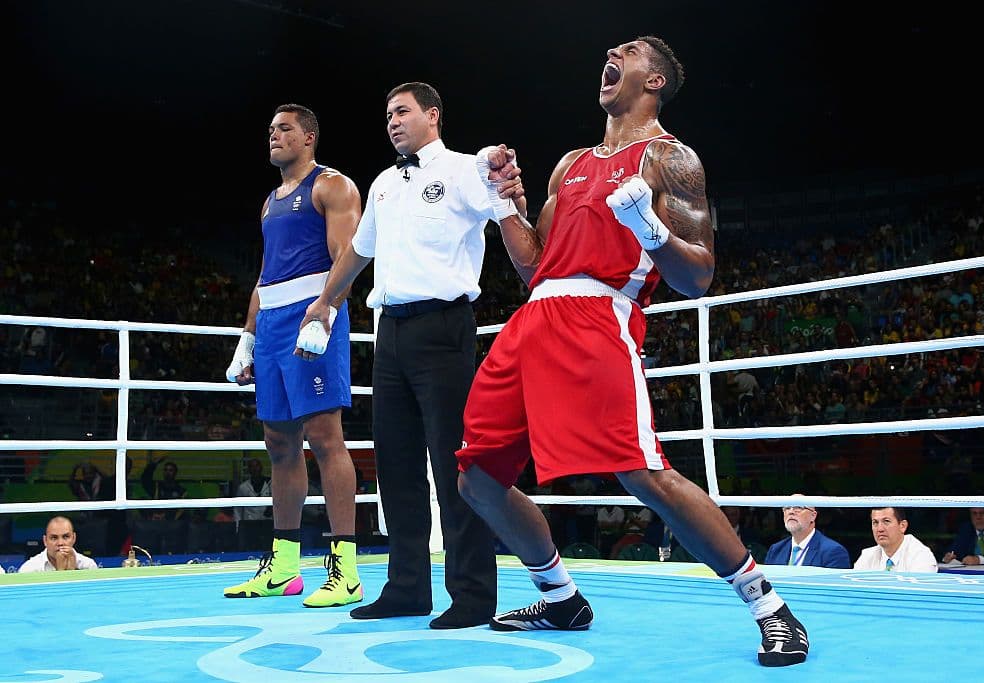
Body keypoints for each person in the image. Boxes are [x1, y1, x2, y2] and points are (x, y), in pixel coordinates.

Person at [453, 36, 808, 666]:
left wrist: (651, 229)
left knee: (641, 471)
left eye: (633, 49)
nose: (615, 50)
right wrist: (502, 200)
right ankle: (559, 597)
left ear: (654, 81)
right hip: (533, 320)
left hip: (600, 317)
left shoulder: (671, 159)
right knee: (477, 477)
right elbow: (534, 268)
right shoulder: (570, 164)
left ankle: (770, 607)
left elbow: (697, 276)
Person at [294, 83, 507, 628]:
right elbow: (359, 252)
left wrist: (503, 171)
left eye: (402, 111)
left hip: (445, 327)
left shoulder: (464, 169)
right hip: (390, 331)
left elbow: (505, 205)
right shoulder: (385, 183)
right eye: (387, 113)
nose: (391, 121)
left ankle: (473, 595)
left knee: (452, 465)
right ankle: (408, 588)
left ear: (433, 115)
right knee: (396, 466)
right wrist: (324, 302)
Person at [222, 103, 363, 609]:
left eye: (284, 129)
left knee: (326, 437)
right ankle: (284, 567)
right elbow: (265, 273)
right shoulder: (269, 202)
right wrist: (248, 336)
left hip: (314, 313)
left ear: (309, 137)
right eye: (269, 130)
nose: (273, 136)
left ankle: (345, 568)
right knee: (279, 442)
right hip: (276, 322)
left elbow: (348, 257)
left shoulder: (333, 186)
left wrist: (326, 313)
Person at [764, 502, 850, 568]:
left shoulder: (833, 551)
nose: (791, 512)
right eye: (787, 508)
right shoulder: (775, 550)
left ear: (813, 515)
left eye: (798, 508)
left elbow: (834, 590)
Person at [853, 507, 937, 572]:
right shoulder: (867, 555)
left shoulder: (921, 556)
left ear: (902, 526)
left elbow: (917, 593)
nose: (880, 529)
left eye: (886, 521)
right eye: (875, 522)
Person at [19, 516, 98, 572]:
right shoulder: (29, 569)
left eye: (66, 537)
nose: (60, 543)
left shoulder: (88, 566)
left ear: (74, 538)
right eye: (54, 538)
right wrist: (60, 574)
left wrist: (74, 573)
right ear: (45, 541)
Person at [235, 457, 272, 522]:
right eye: (252, 466)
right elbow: (238, 510)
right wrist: (238, 527)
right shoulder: (243, 487)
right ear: (249, 470)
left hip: (267, 522)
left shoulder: (270, 484)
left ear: (261, 468)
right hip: (249, 524)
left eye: (257, 466)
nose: (255, 469)